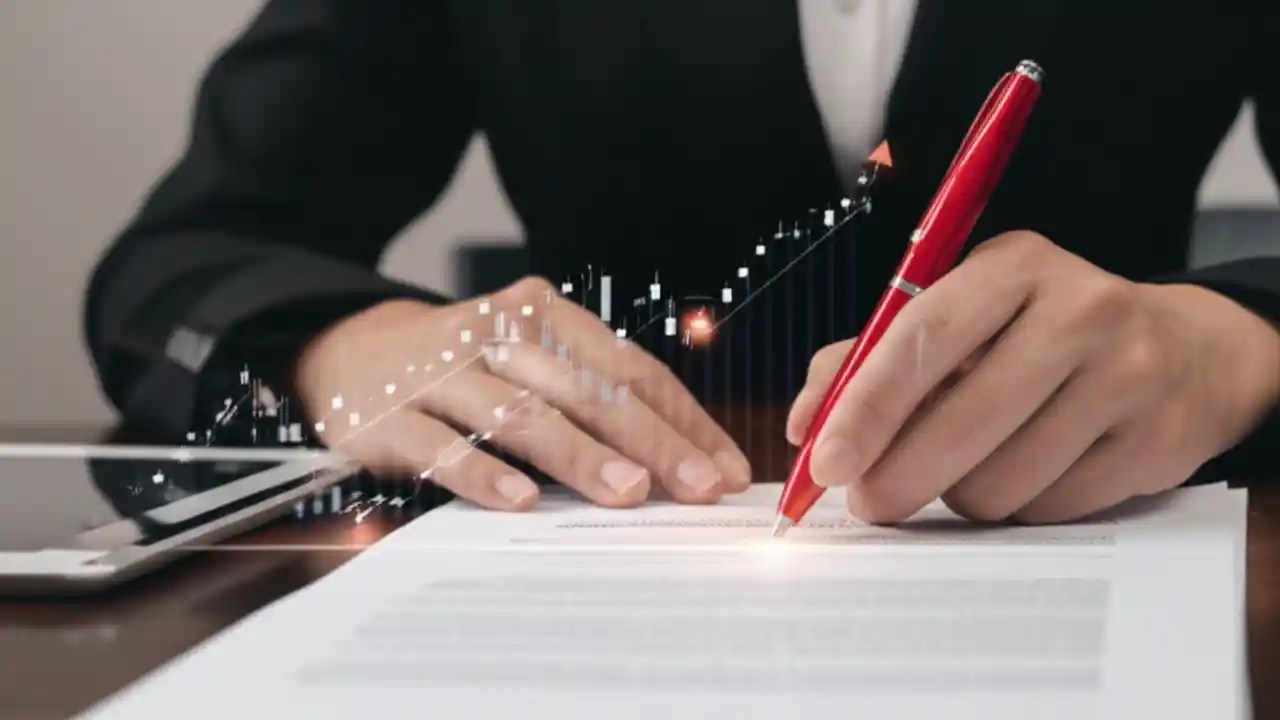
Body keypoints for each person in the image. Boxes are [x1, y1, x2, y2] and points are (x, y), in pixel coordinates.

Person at [85, 1, 1279, 523]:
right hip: (597, 560)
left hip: (1101, 531)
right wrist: (336, 348)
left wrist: (1239, 346)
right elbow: (182, 256)